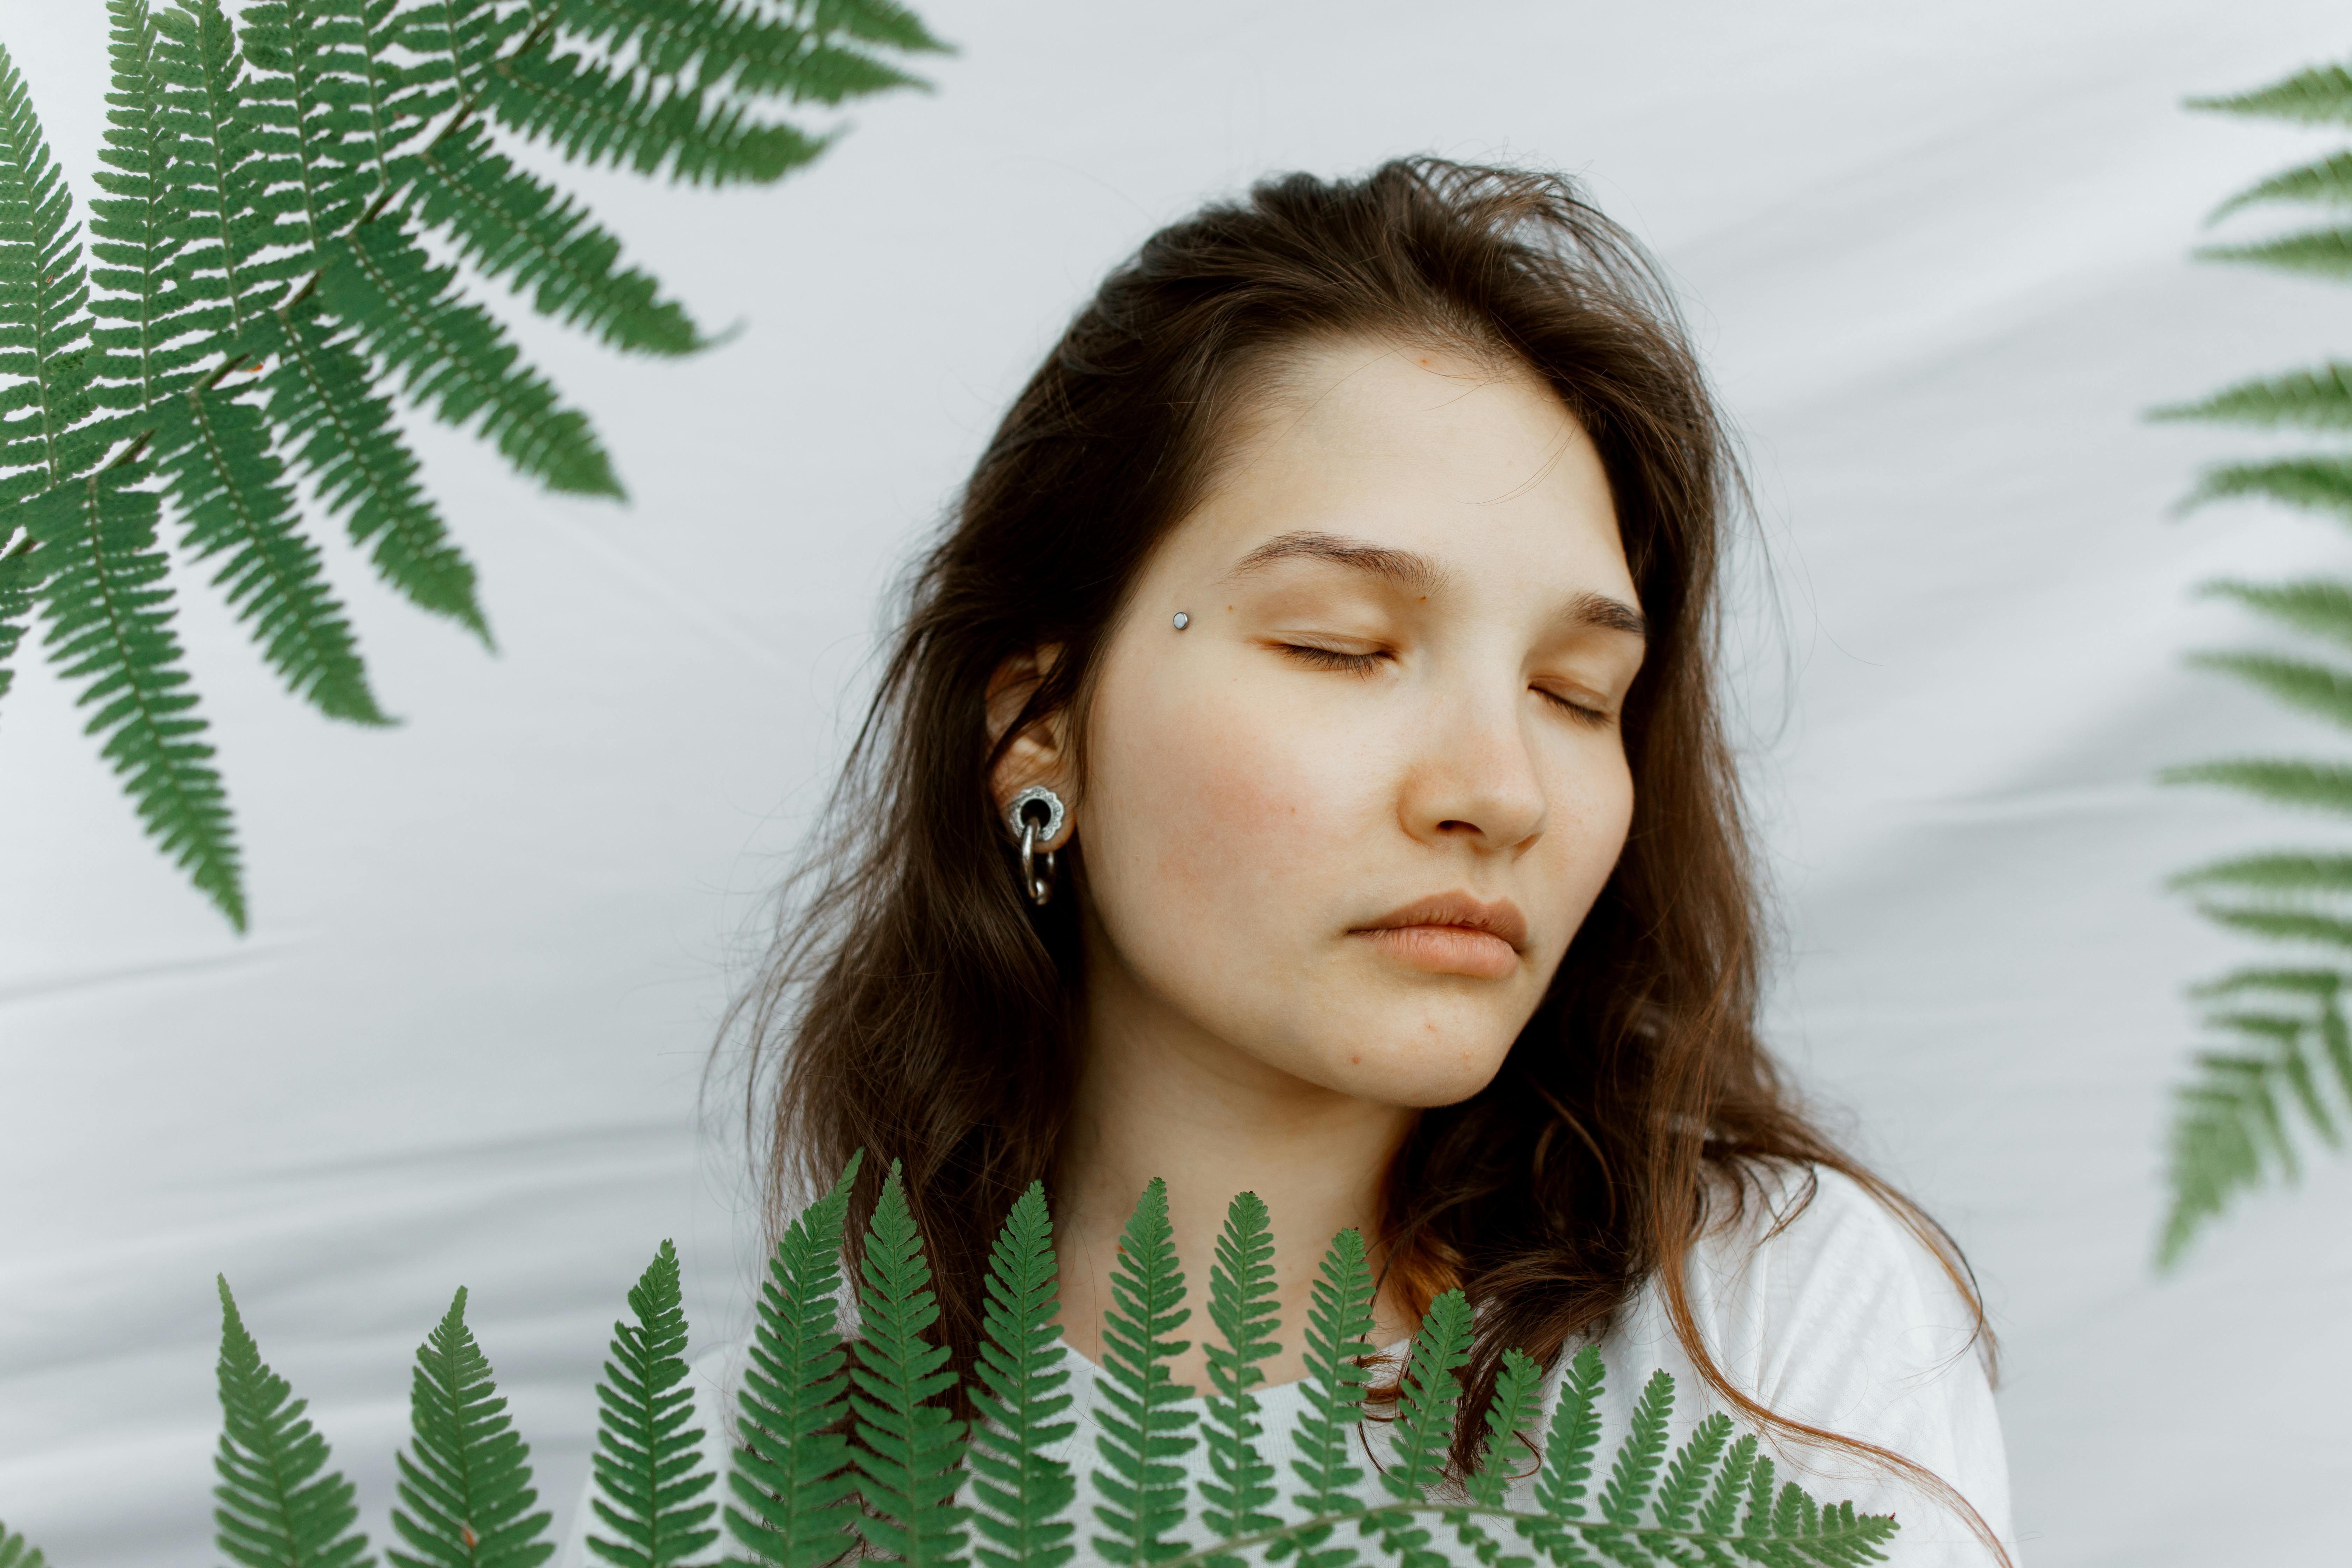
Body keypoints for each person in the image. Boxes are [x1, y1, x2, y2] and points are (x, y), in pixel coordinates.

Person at [561, 157, 2012, 1566]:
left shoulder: (1763, 1329)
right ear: (1038, 730)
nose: (1500, 791)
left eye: (1576, 696)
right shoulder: (752, 1481)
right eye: (1343, 648)